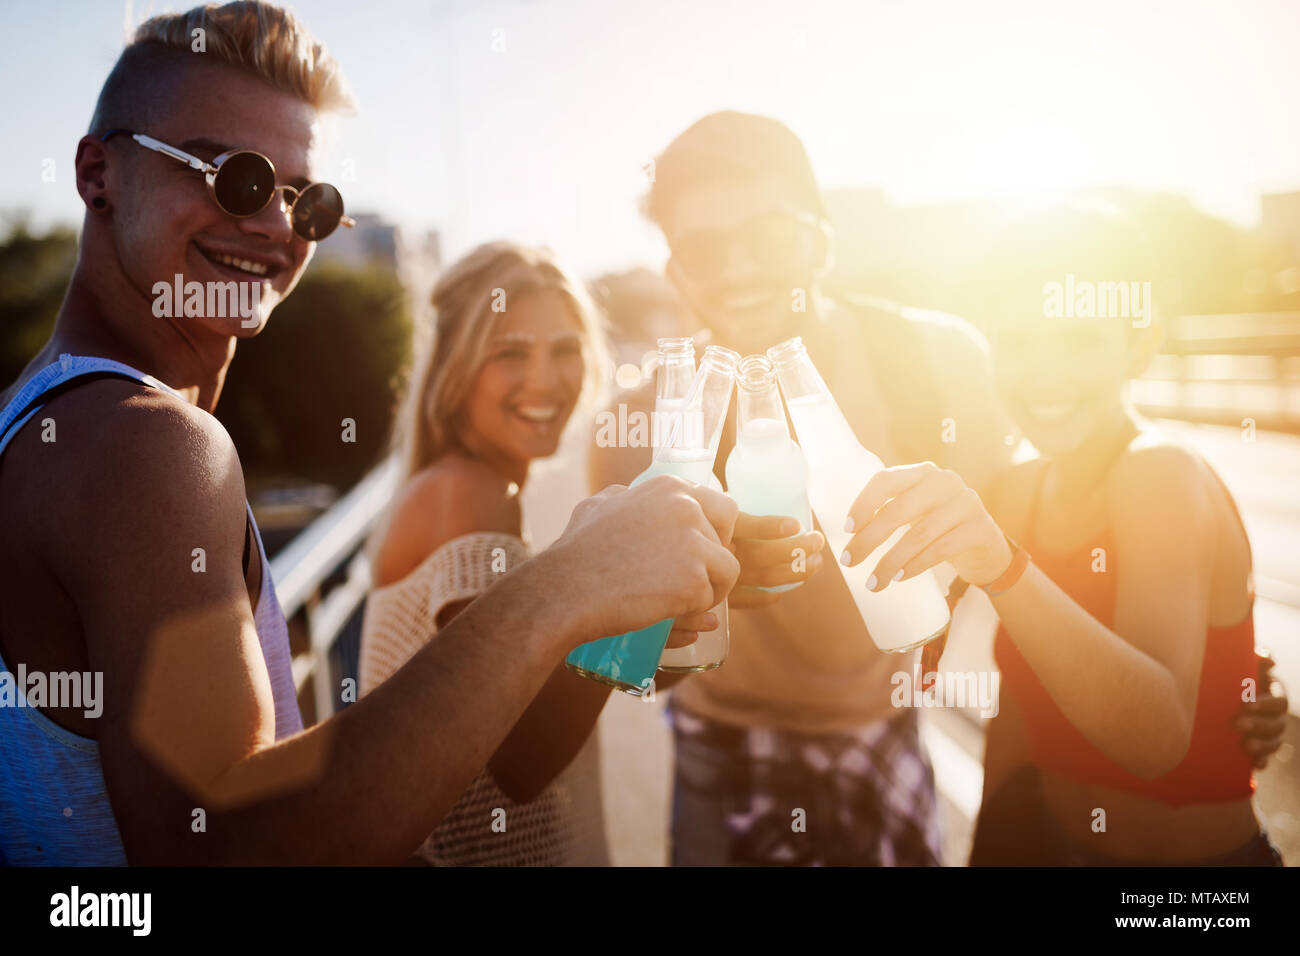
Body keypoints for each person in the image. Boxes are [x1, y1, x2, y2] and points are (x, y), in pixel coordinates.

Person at [0, 1, 739, 865]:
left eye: (306, 200)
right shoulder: (148, 444)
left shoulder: (46, 414)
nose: (274, 225)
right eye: (231, 176)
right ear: (100, 173)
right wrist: (566, 586)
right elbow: (224, 847)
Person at [592, 111, 1288, 866]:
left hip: (886, 736)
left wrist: (1228, 680)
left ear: (820, 239)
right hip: (721, 756)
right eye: (703, 248)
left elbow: (1053, 524)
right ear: (674, 270)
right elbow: (622, 670)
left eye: (766, 234)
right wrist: (682, 621)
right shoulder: (637, 425)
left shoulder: (938, 361)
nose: (737, 270)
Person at [841, 203, 1285, 865]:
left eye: (1080, 340)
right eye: (1017, 342)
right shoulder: (1020, 488)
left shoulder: (1158, 472)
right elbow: (1022, 709)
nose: (1044, 372)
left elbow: (1157, 739)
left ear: (1139, 345)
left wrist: (1004, 567)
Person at [361, 240, 672, 865]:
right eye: (510, 354)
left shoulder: (464, 484)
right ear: (456, 367)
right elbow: (521, 756)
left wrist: (681, 604)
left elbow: (552, 684)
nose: (545, 379)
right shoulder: (470, 495)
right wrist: (629, 584)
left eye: (564, 350)